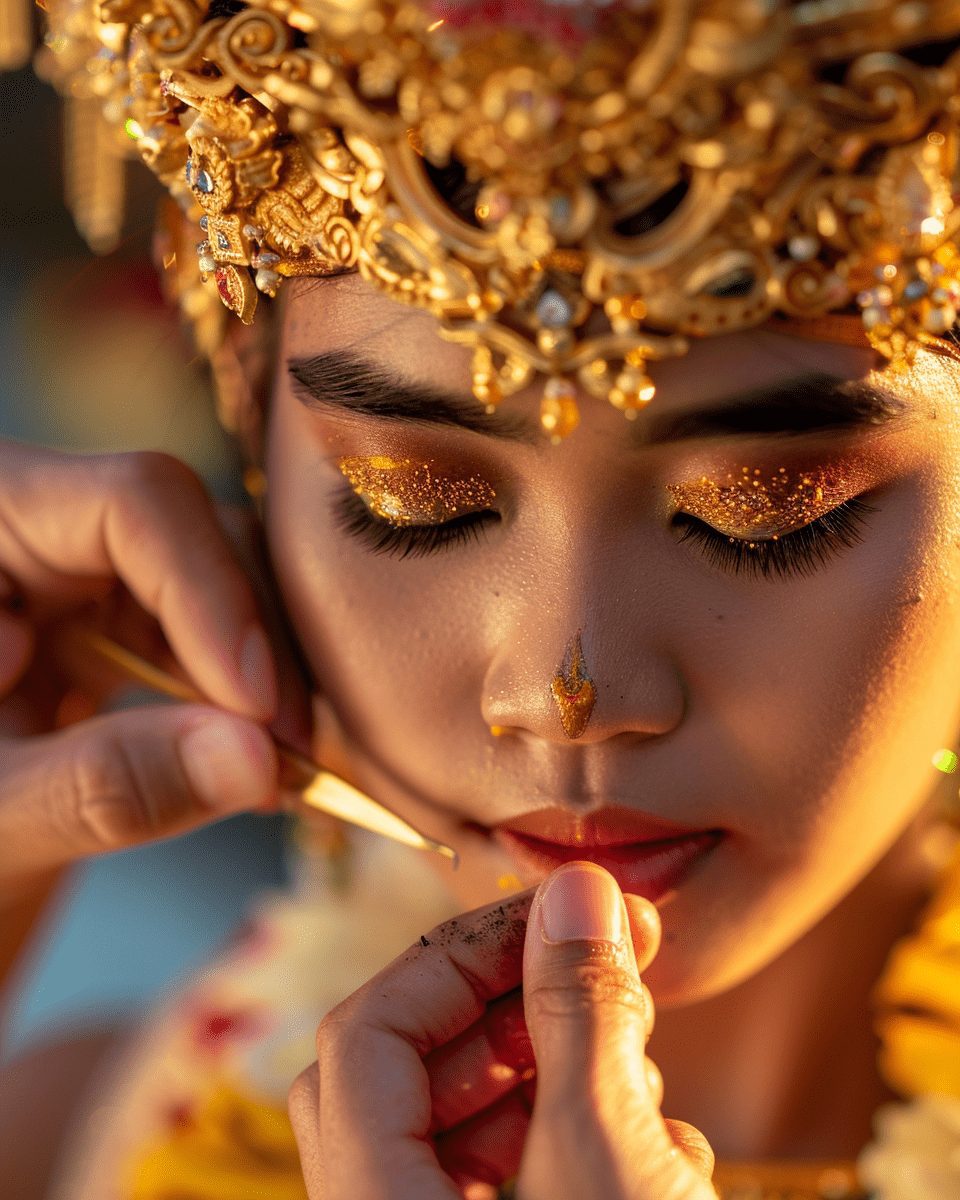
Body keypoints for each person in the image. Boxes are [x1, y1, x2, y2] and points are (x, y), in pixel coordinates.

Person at [2, 2, 960, 1198]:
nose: (570, 689)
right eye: (415, 501)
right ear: (257, 456)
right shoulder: (84, 1131)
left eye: (764, 510)